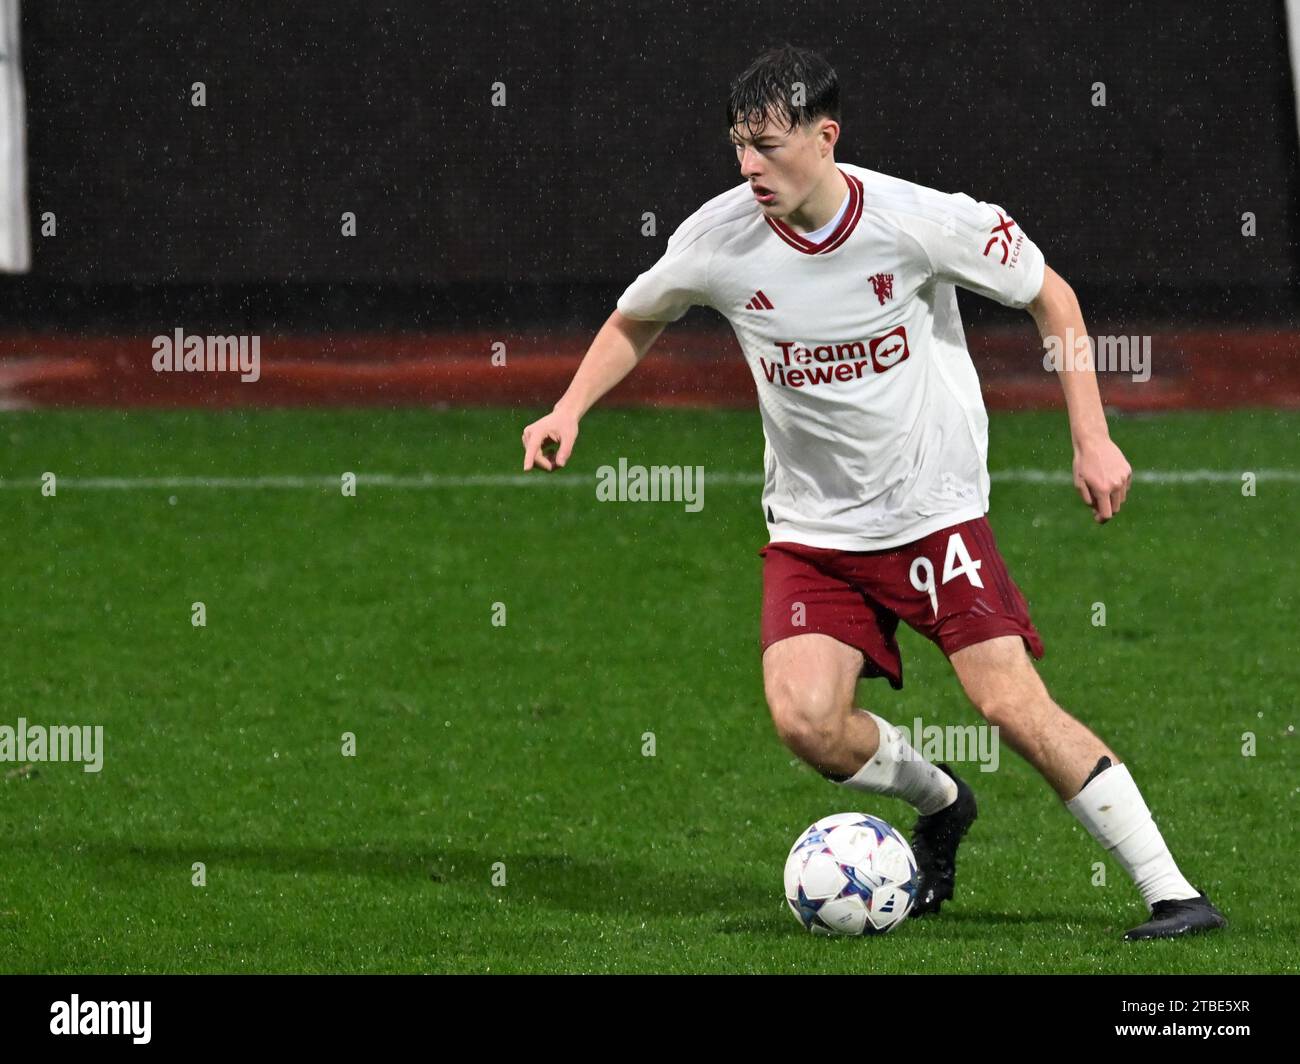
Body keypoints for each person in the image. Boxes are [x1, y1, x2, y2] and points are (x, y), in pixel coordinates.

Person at [520, 43, 1225, 940]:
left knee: (1006, 702)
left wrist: (1092, 434)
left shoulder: (916, 220)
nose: (749, 167)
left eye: (768, 146)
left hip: (932, 515)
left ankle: (1173, 892)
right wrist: (570, 407)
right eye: (738, 145)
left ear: (827, 136)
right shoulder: (720, 238)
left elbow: (1054, 297)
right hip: (814, 529)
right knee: (807, 721)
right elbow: (638, 314)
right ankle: (941, 802)